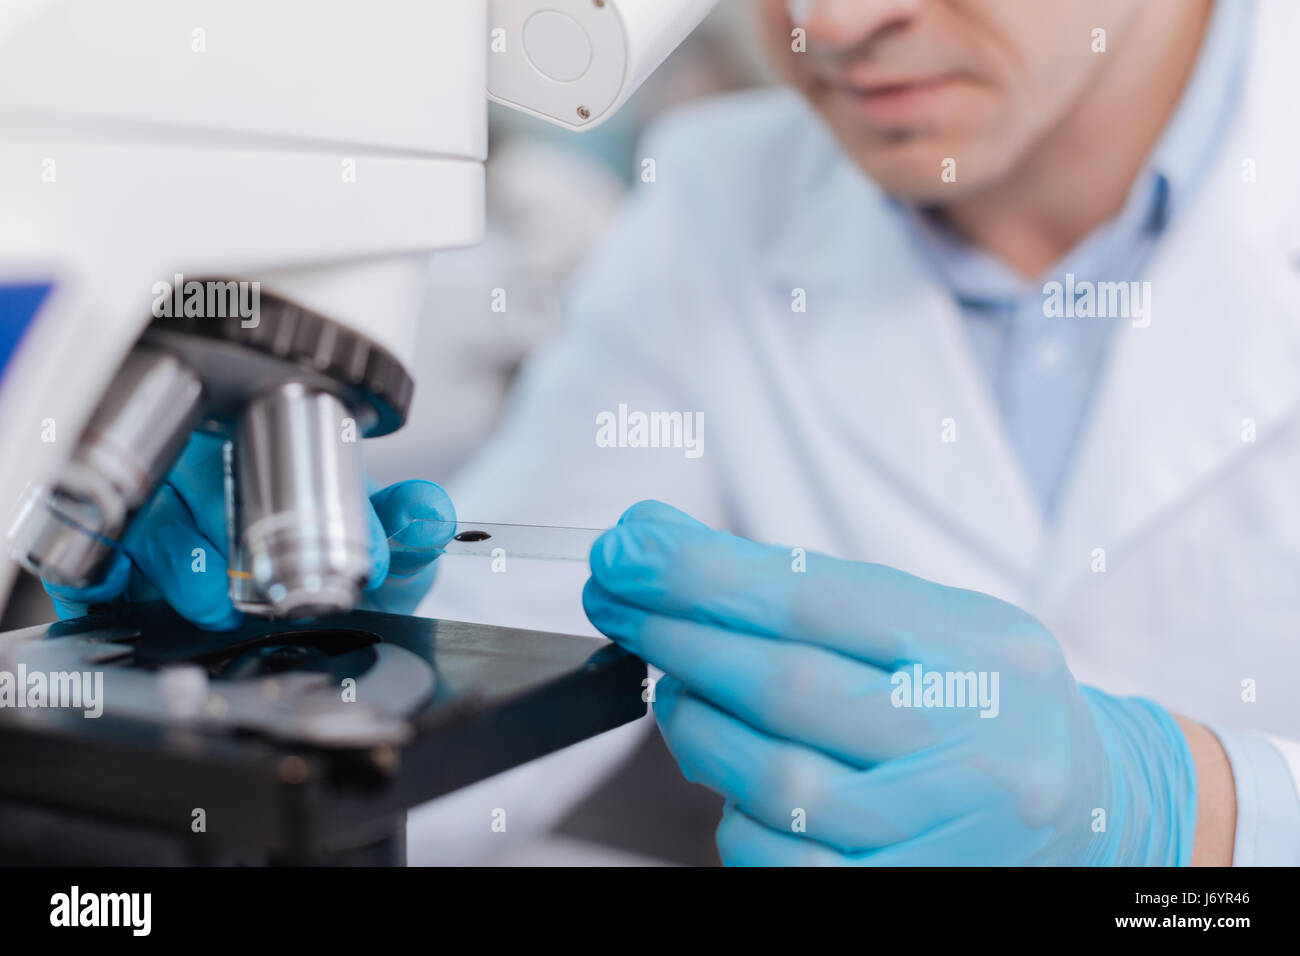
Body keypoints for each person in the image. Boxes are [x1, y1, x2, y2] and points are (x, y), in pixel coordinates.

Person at [50, 0, 1300, 864]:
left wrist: (1195, 819)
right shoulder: (723, 198)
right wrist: (204, 719)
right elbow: (490, 696)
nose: (835, 25)